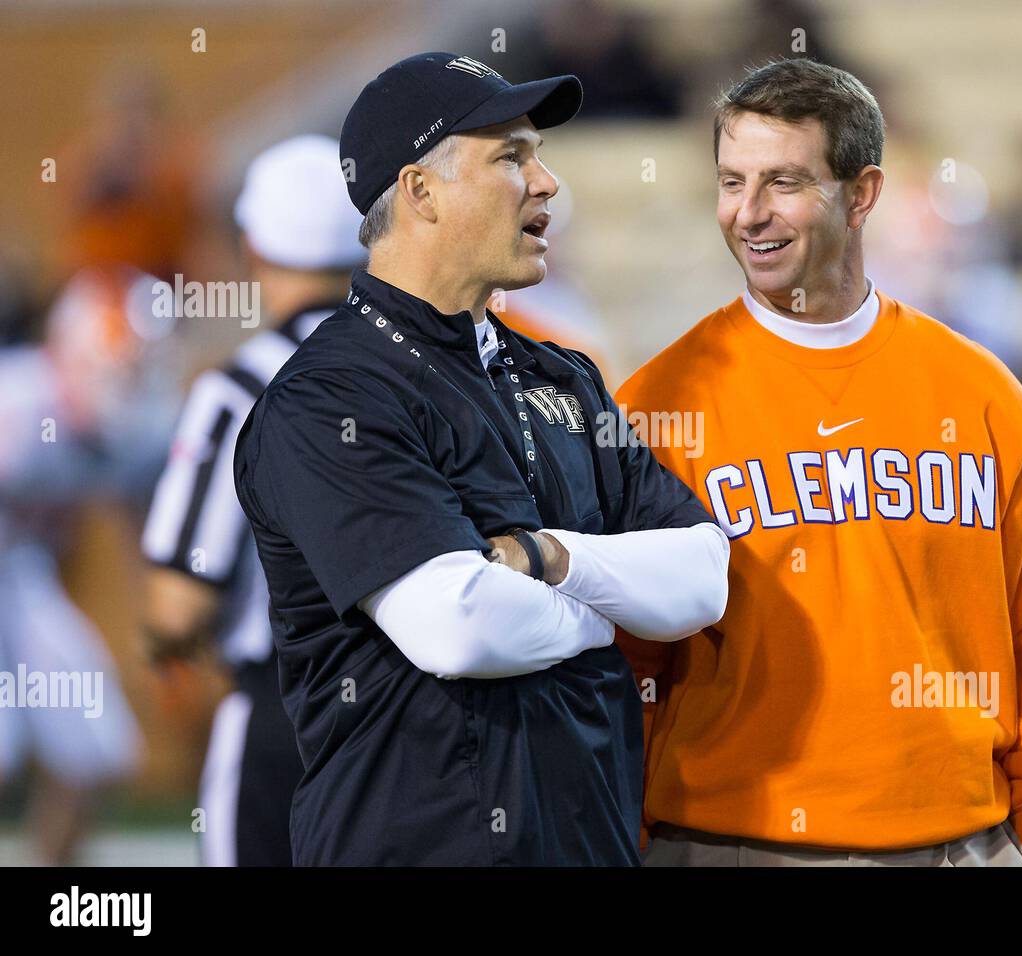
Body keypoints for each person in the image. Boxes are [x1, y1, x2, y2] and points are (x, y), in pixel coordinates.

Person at [231, 52, 729, 865]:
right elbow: (456, 626)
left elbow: (703, 579)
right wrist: (613, 610)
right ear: (420, 191)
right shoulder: (330, 399)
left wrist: (550, 556)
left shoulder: (559, 374)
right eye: (512, 157)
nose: (547, 183)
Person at [616, 58, 1022, 867]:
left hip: (960, 845)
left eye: (783, 182)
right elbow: (624, 664)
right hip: (728, 845)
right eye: (731, 181)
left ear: (862, 193)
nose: (748, 213)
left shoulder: (982, 393)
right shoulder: (658, 404)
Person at [140, 135, 365, 866]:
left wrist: (169, 646)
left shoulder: (239, 390)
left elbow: (179, 603)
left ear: (252, 246)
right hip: (413, 714)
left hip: (283, 710)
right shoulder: (424, 372)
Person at [0, 265, 177, 864]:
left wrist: (163, 626)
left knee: (97, 749)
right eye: (123, 364)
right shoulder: (18, 408)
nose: (134, 380)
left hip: (22, 576)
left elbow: (145, 527)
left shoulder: (139, 430)